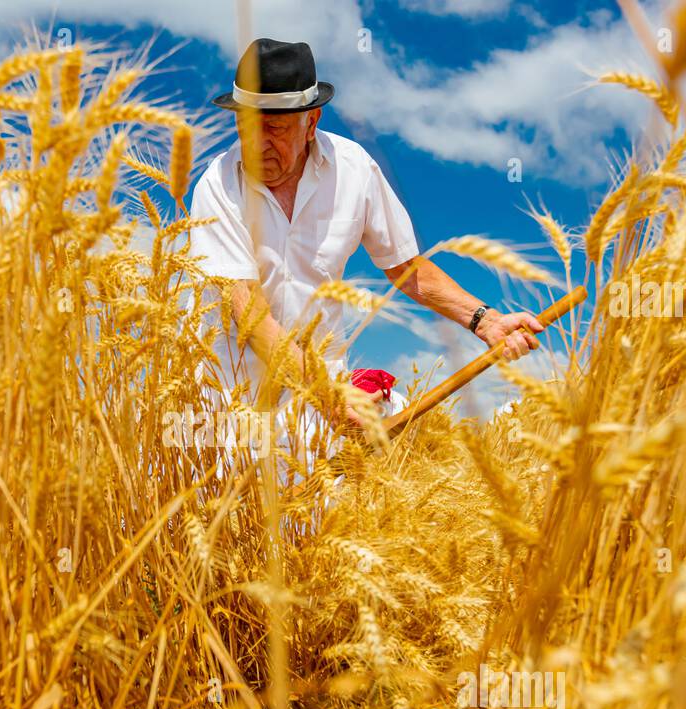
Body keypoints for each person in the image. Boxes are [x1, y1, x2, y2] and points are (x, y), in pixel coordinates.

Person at [189, 37, 544, 437]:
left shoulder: (354, 169)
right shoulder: (217, 186)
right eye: (245, 126)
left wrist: (486, 321)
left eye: (273, 128)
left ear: (312, 122)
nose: (256, 144)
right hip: (230, 409)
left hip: (322, 409)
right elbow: (249, 315)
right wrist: (327, 394)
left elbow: (406, 266)